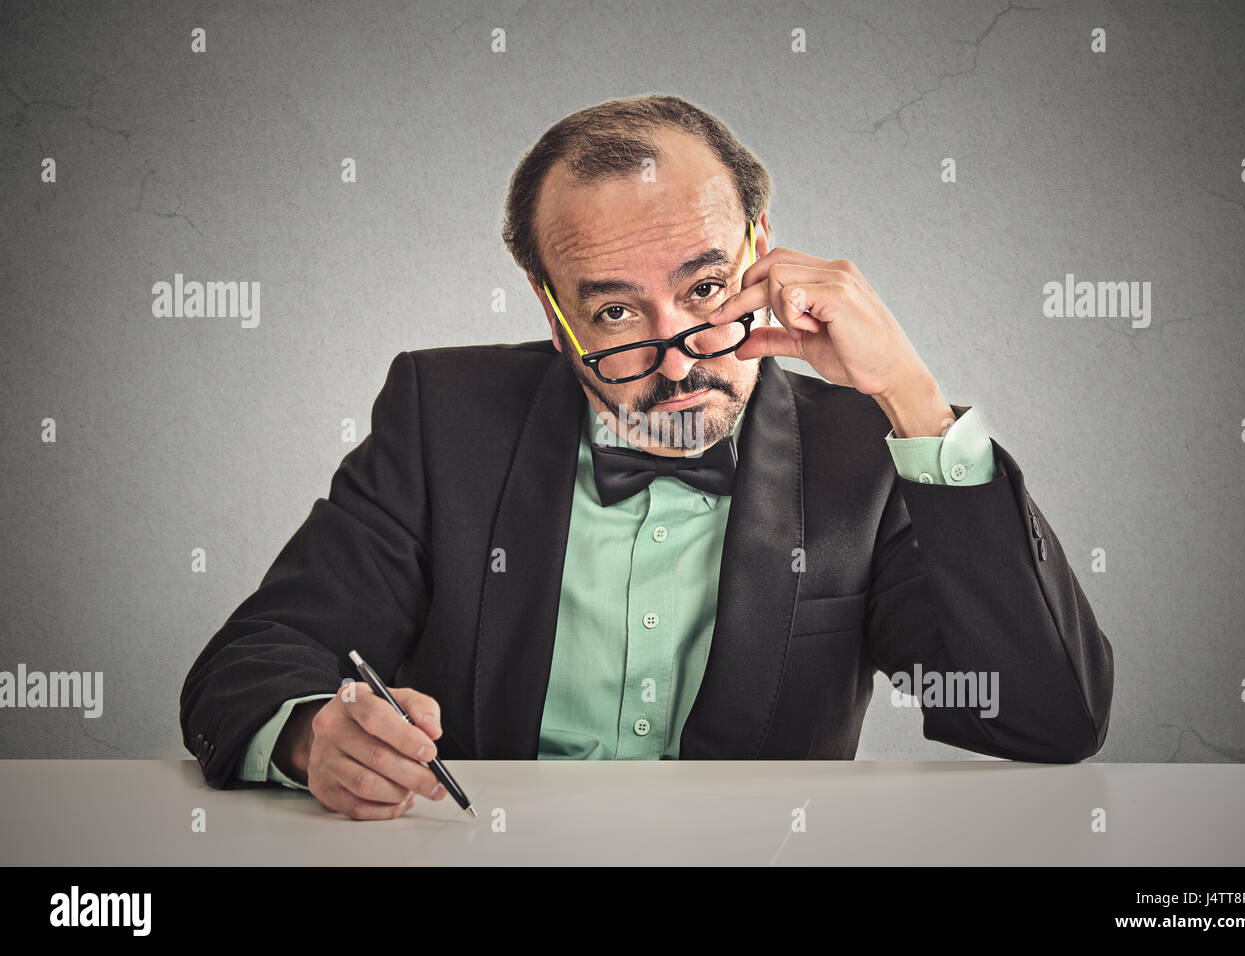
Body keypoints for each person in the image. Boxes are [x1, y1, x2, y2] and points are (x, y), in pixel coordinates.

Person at [180, 94, 1113, 820]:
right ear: (554, 314)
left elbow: (1046, 717)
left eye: (707, 289)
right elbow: (251, 663)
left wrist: (912, 398)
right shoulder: (442, 417)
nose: (678, 363)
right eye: (618, 312)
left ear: (762, 254)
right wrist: (313, 735)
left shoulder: (871, 453)